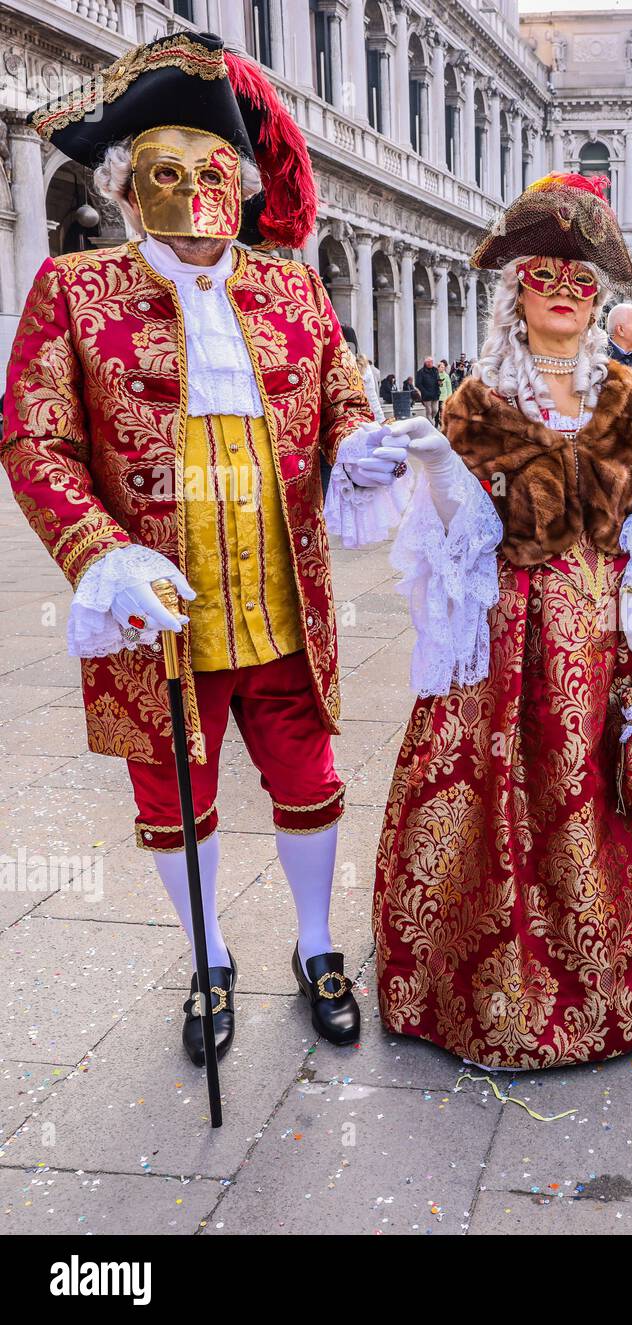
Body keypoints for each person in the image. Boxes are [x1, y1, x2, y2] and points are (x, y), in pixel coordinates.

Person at [2, 32, 413, 1065]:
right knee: (170, 793)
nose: (192, 203)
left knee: (309, 771)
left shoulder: (292, 290)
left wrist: (362, 450)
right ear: (130, 190)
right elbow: (33, 434)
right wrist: (100, 551)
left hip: (279, 588)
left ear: (240, 183)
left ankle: (318, 946)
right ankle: (209, 954)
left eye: (212, 175)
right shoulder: (73, 291)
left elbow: (343, 402)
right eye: (167, 177)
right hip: (157, 598)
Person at [371, 173, 632, 1070]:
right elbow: (460, 534)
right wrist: (433, 468)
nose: (568, 298)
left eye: (584, 285)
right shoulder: (474, 401)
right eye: (548, 280)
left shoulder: (631, 397)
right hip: (511, 633)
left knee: (620, 787)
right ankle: (496, 983)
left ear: (602, 301)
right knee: (491, 786)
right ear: (517, 293)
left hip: (615, 627)